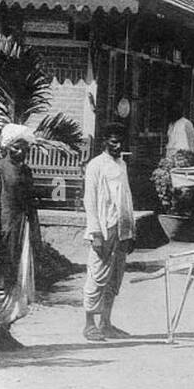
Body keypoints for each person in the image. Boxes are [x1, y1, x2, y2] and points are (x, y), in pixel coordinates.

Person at [0, 124, 40, 351]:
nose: (21, 151)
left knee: (16, 283)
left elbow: (31, 206)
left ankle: (6, 332)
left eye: (24, 147)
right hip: (2, 236)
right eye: (16, 146)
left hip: (20, 235)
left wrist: (34, 235)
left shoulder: (27, 172)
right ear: (7, 147)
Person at [82, 123, 137, 342]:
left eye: (120, 142)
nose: (118, 146)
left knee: (115, 277)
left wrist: (131, 230)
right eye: (113, 142)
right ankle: (89, 324)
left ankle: (106, 323)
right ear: (104, 141)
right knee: (97, 276)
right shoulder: (95, 166)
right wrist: (95, 232)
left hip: (121, 229)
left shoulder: (122, 164)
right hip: (104, 230)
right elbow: (91, 201)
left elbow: (126, 198)